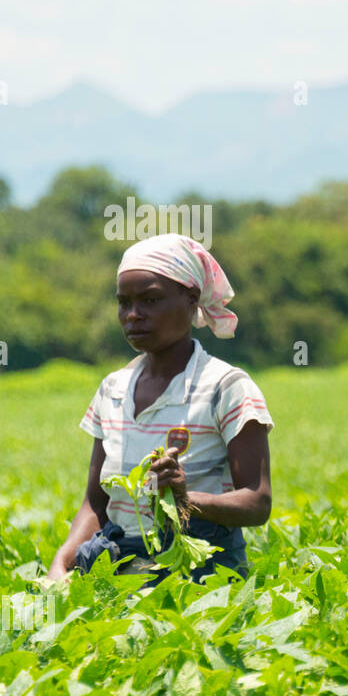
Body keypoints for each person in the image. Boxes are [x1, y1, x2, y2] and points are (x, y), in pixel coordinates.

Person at [47, 233, 273, 586]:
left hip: (201, 570)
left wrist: (187, 501)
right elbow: (96, 504)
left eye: (151, 300)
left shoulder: (226, 387)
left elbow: (257, 503)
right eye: (124, 303)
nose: (133, 315)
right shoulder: (113, 389)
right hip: (119, 568)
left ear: (191, 299)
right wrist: (61, 563)